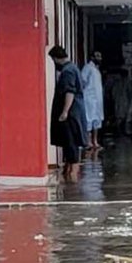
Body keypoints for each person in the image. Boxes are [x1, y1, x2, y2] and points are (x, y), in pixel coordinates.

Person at [48, 46, 87, 181]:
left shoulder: (67, 71)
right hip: (75, 111)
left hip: (71, 113)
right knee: (69, 142)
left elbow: (69, 92)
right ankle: (69, 169)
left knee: (71, 142)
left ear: (57, 58)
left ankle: (73, 173)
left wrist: (65, 111)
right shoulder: (73, 68)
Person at [80, 51, 104, 151]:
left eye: (100, 56)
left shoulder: (96, 70)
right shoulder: (87, 68)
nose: (100, 58)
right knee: (89, 119)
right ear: (92, 57)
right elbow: (83, 81)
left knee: (97, 120)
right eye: (97, 56)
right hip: (89, 99)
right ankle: (88, 141)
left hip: (97, 100)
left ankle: (95, 141)